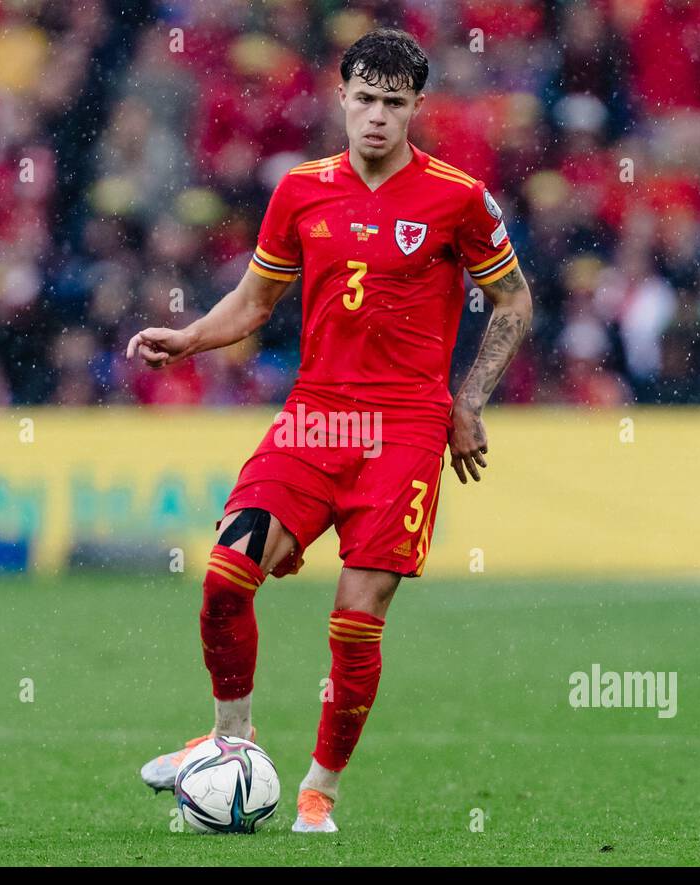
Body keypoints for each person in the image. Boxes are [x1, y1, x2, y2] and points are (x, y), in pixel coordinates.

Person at [126, 28, 532, 833]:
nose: (376, 117)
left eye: (394, 102)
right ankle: (229, 741)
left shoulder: (458, 199)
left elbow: (514, 299)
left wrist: (469, 402)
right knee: (224, 577)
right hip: (314, 416)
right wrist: (189, 337)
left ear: (417, 107)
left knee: (354, 619)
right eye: (364, 99)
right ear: (339, 98)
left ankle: (319, 789)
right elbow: (252, 304)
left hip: (406, 430)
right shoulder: (299, 191)